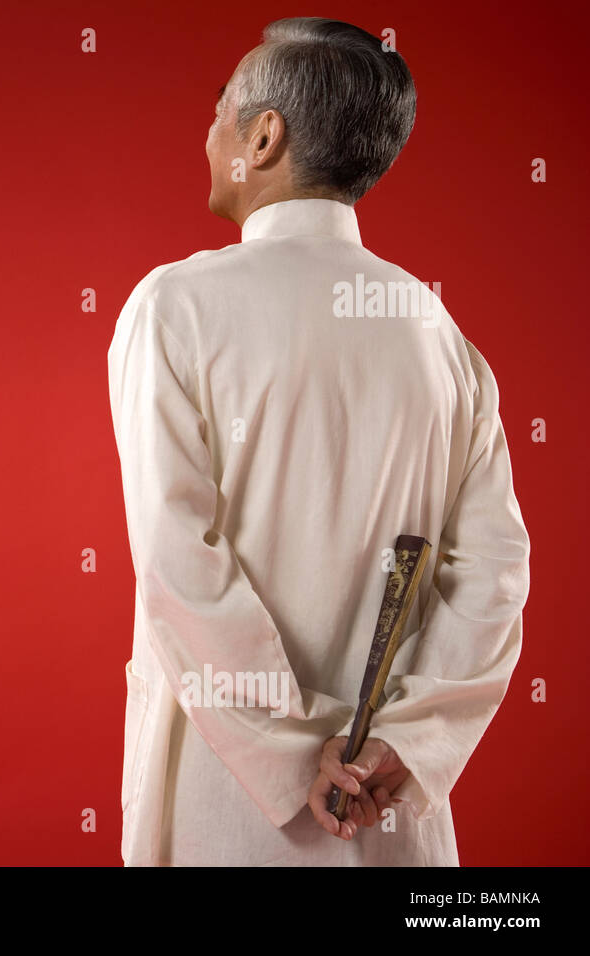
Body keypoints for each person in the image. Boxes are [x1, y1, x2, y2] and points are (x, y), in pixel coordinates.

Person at [108, 17, 530, 866]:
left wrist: (295, 753)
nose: (209, 131)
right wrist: (401, 743)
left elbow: (177, 564)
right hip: (385, 815)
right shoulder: (439, 335)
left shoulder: (175, 308)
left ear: (263, 137)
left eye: (221, 109)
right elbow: (493, 575)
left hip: (228, 811)